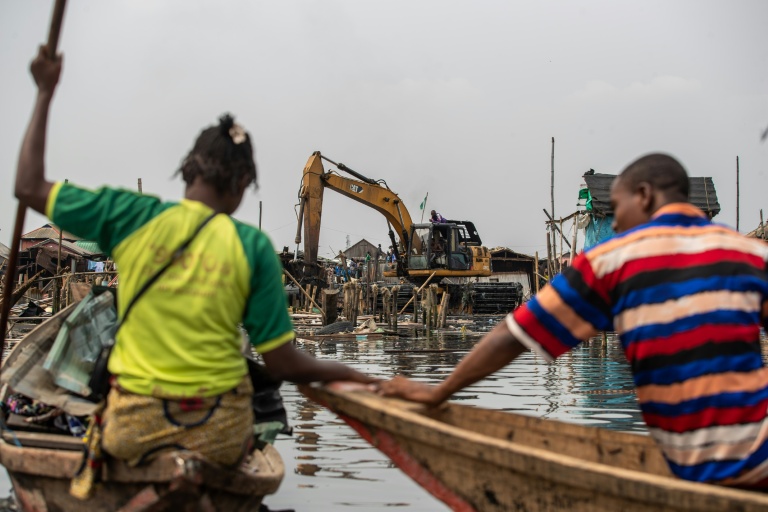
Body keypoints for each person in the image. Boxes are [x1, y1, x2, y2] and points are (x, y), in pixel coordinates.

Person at [15, 48, 376, 470]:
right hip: (219, 433)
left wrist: (43, 92)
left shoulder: (130, 214)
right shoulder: (252, 246)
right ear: (244, 182)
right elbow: (283, 363)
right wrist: (353, 375)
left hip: (135, 429)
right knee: (259, 397)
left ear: (188, 169)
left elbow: (28, 186)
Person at [383, 153, 768, 488]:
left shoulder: (613, 261)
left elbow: (514, 334)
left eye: (617, 210)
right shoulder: (753, 254)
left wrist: (438, 392)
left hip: (701, 469)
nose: (614, 224)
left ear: (645, 196)